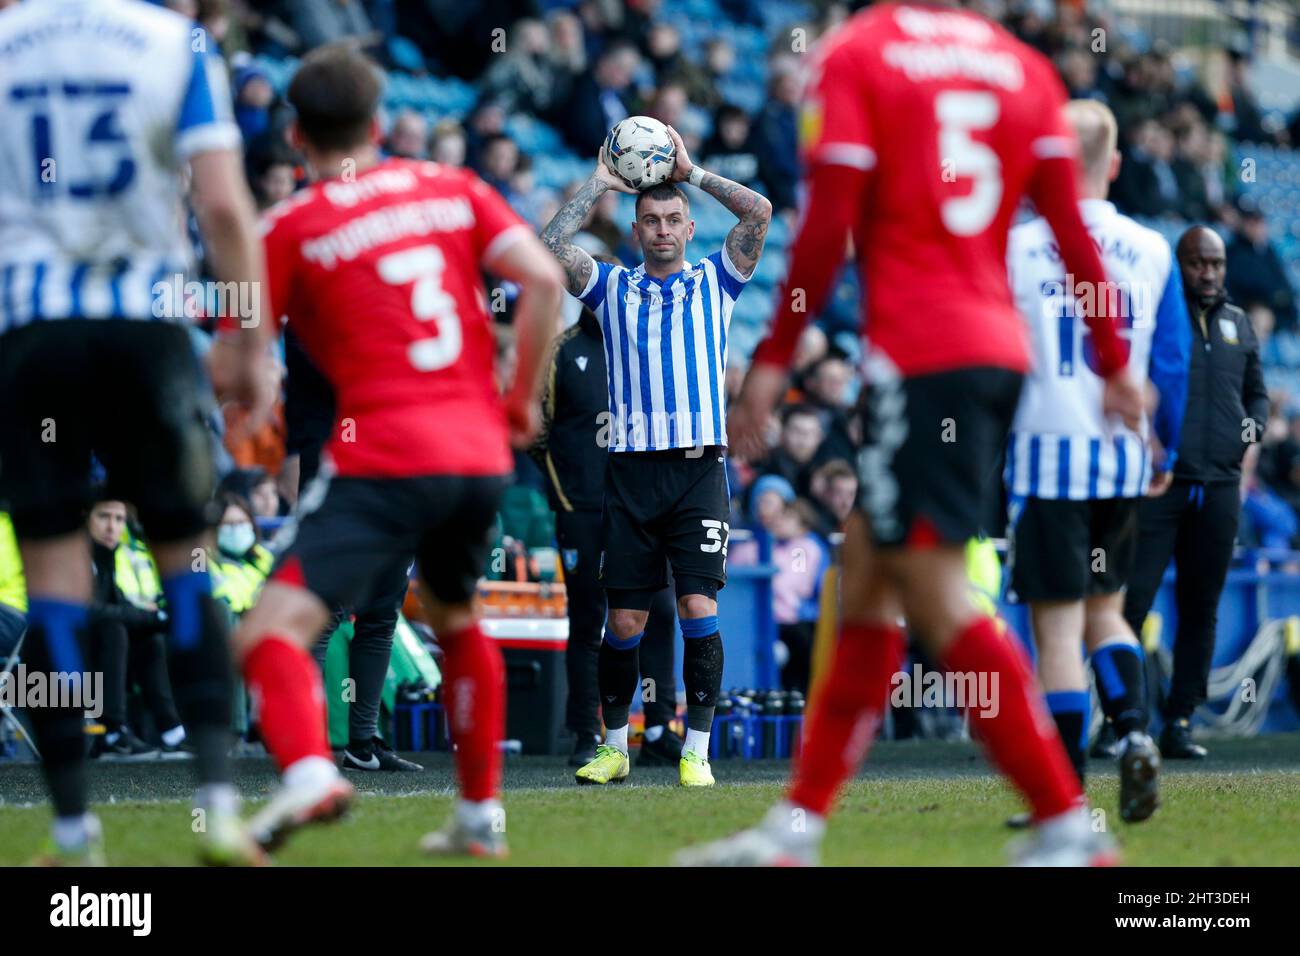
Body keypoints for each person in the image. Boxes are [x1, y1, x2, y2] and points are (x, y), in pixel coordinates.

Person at [688, 0, 1143, 867]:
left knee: (933, 595)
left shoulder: (858, 53)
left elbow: (826, 225)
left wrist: (775, 358)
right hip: (992, 353)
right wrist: (1114, 360)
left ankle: (1065, 823)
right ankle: (795, 830)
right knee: (864, 579)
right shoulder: (1025, 68)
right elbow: (1070, 230)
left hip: (920, 353)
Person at [234, 44, 563, 858]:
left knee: (268, 632)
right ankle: (478, 817)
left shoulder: (289, 226)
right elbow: (545, 282)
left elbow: (241, 362)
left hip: (381, 456)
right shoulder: (452, 187)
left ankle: (309, 771)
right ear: (379, 125)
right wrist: (521, 401)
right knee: (456, 618)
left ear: (297, 136)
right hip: (477, 456)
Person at [0, 0, 273, 866]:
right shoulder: (172, 44)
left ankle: (72, 832)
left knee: (55, 586)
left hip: (32, 332)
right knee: (187, 569)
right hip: (144, 332)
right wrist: (249, 338)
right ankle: (219, 808)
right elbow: (223, 204)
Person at [541, 125, 772, 787]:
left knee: (698, 608)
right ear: (637, 229)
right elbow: (547, 248)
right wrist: (599, 184)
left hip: (698, 470)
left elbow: (759, 212)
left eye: (673, 221)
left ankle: (696, 751)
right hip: (632, 473)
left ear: (690, 228)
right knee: (624, 620)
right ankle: (616, 746)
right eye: (651, 221)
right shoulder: (611, 288)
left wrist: (691, 172)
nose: (663, 230)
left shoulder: (717, 280)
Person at [1003, 100, 1191, 824]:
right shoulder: (1153, 249)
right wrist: (1165, 445)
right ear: (1113, 164)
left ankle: (1066, 799)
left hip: (1047, 459)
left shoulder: (1018, 247)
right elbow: (1171, 364)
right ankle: (1136, 733)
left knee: (1056, 629)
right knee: (1107, 613)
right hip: (1121, 461)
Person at [1122, 225, 1270, 759]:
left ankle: (1180, 721)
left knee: (1201, 606)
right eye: (1197, 263)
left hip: (1221, 484)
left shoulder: (1238, 323)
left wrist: (1248, 432)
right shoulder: (1157, 321)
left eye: (1216, 264)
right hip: (1160, 485)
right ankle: (1122, 721)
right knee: (1132, 602)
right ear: (1178, 265)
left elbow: (1256, 395)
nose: (1208, 273)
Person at [530, 306, 683, 768]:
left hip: (643, 508)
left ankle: (658, 728)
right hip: (583, 510)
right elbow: (535, 431)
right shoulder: (561, 351)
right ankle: (586, 731)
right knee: (589, 618)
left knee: (658, 611)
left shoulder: (645, 346)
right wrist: (567, 493)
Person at [85, 497, 187, 761]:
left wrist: (155, 618)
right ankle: (112, 732)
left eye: (119, 519)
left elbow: (117, 604)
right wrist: (155, 616)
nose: (112, 527)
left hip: (96, 645)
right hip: (58, 646)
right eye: (104, 517)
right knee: (114, 628)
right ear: (86, 519)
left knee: (148, 637)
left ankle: (171, 730)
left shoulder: (107, 556)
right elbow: (89, 611)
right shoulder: (76, 555)